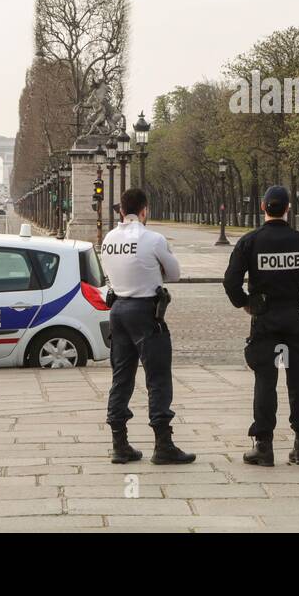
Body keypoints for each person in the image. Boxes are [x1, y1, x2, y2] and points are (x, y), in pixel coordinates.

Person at [222, 185, 299, 466]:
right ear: (288, 208)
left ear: (262, 207)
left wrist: (245, 302)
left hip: (265, 321)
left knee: (265, 383)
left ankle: (264, 446)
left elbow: (230, 281)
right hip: (294, 320)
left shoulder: (250, 242)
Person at [99, 187, 195, 465]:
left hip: (117, 310)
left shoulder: (108, 239)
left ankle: (119, 443)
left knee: (121, 377)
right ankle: (163, 444)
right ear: (144, 211)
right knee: (158, 377)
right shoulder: (153, 239)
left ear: (120, 211)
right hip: (145, 311)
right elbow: (174, 274)